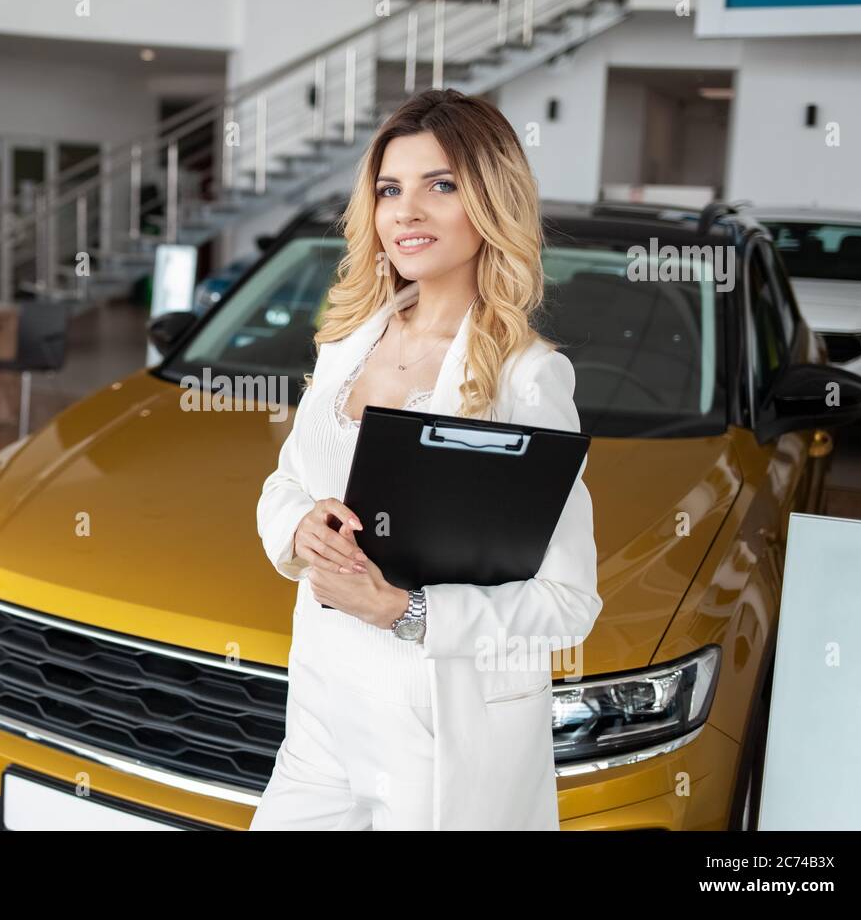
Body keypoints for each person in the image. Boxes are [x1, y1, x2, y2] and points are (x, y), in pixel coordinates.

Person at [251, 88, 602, 831]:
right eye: (389, 189)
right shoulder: (346, 344)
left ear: (490, 199)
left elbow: (568, 605)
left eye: (440, 185)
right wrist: (299, 527)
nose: (406, 211)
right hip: (319, 708)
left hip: (438, 731)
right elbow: (286, 481)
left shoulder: (525, 377)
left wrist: (405, 612)